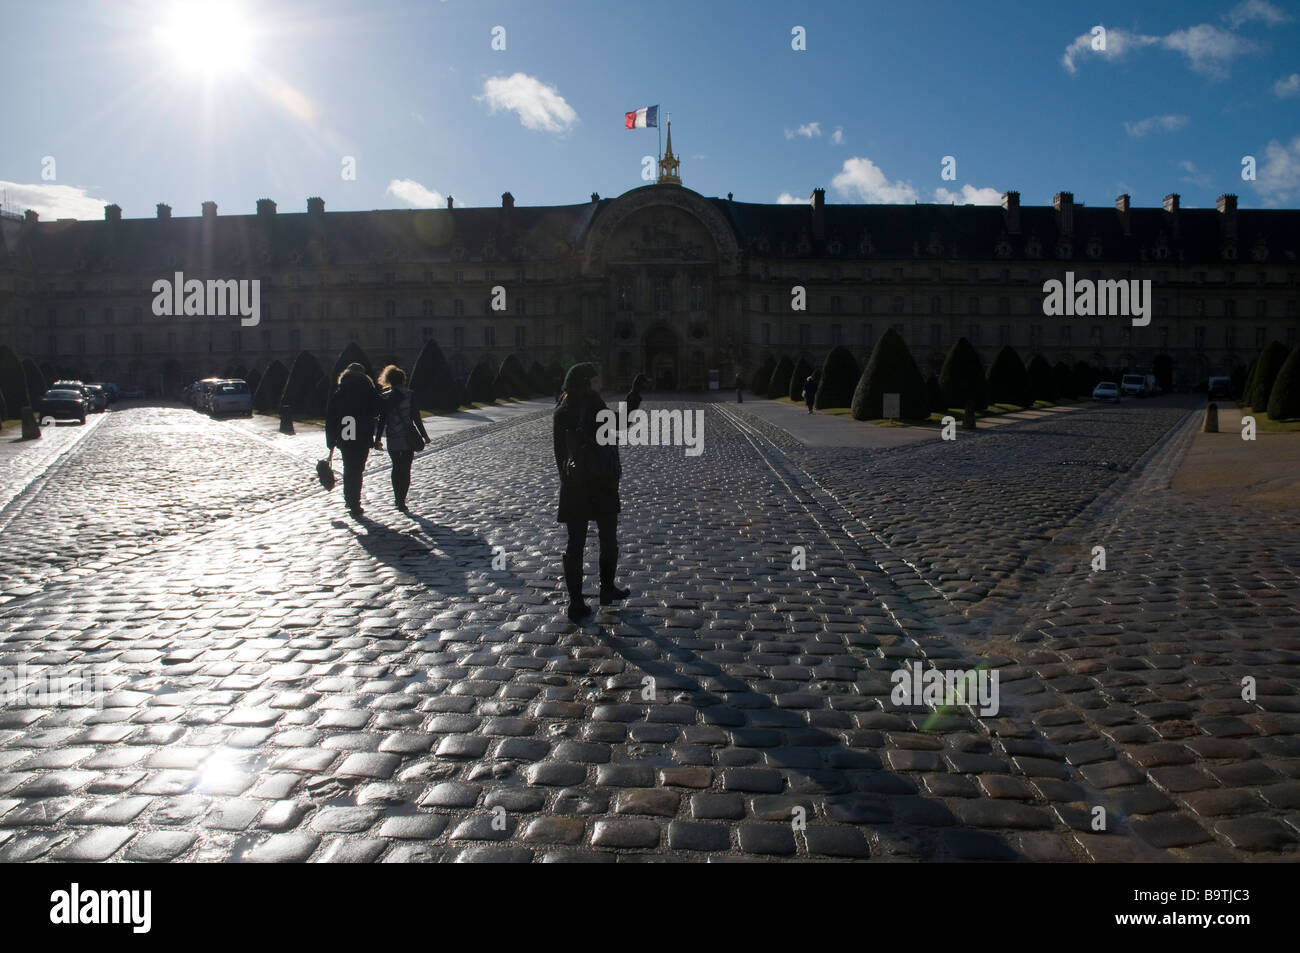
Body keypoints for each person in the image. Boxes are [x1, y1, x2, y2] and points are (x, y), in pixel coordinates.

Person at [553, 363, 629, 622]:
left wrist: (568, 478)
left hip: (575, 487)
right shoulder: (593, 408)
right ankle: (604, 590)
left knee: (576, 545)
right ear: (587, 383)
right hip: (601, 485)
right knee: (607, 540)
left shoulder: (562, 412)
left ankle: (578, 602)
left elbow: (559, 455)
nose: (599, 385)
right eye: (596, 381)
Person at [325, 363, 382, 518]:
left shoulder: (340, 392)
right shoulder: (368, 390)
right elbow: (378, 409)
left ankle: (349, 499)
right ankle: (354, 502)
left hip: (346, 433)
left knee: (349, 467)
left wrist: (330, 440)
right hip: (363, 434)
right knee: (357, 469)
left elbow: (331, 417)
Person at [375, 364, 430, 512]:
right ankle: (402, 501)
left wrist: (377, 439)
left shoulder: (385, 397)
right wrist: (424, 435)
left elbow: (382, 420)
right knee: (405, 469)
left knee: (396, 468)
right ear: (403, 380)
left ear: (389, 380)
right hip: (407, 437)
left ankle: (397, 498)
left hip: (393, 437)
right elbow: (416, 418)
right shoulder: (410, 395)